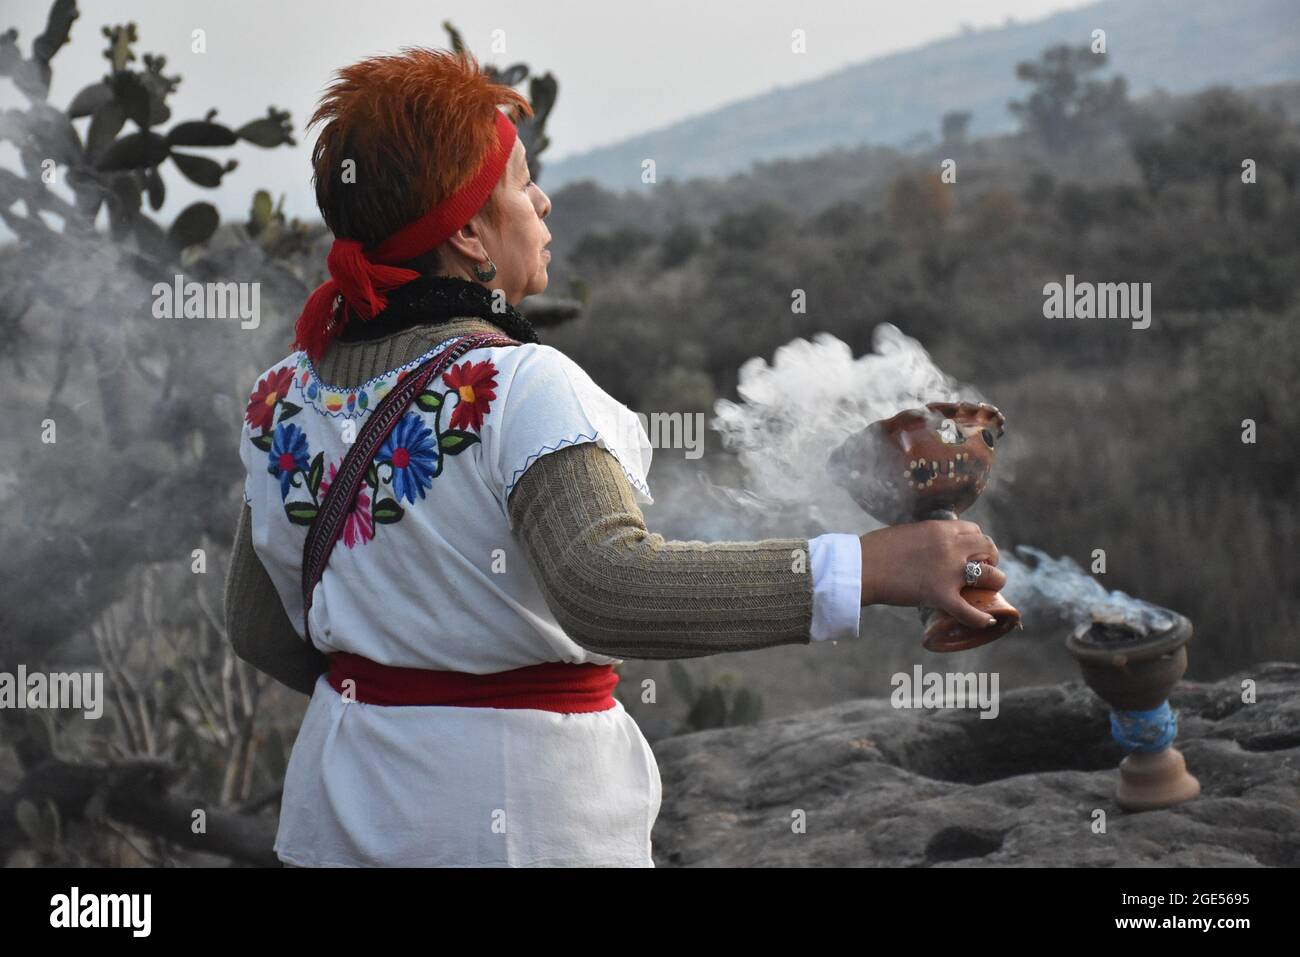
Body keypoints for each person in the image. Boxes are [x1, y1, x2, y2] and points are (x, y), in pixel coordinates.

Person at [223, 47, 1005, 868]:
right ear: (465, 230)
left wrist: (396, 690)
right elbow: (607, 587)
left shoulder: (282, 397)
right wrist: (871, 568)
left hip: (335, 814)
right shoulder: (518, 386)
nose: (543, 200)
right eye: (524, 181)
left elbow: (257, 626)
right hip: (514, 822)